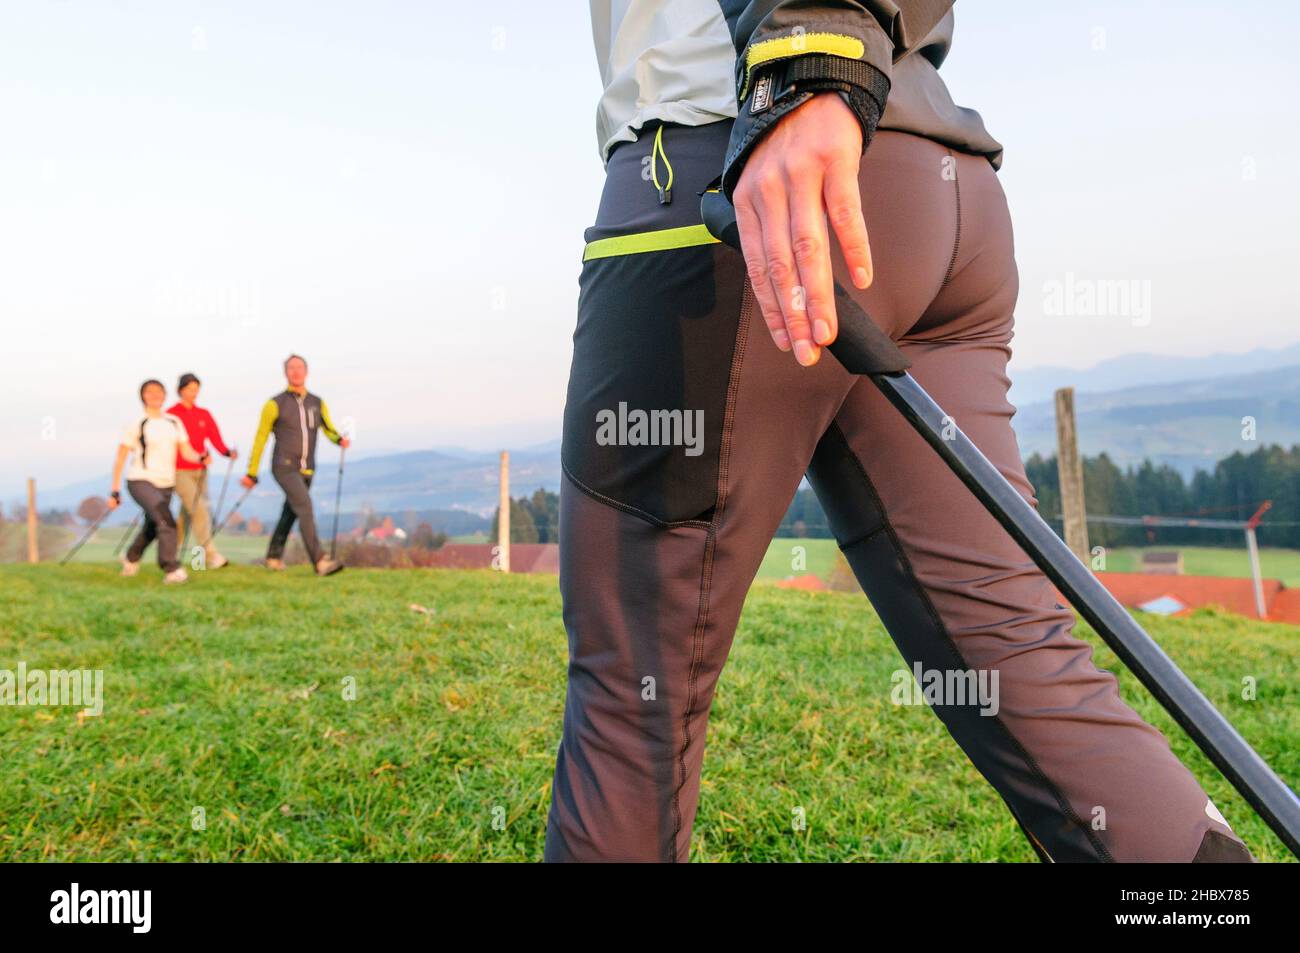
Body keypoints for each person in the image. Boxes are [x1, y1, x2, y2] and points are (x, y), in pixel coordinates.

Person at [544, 1, 1254, 862]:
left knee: (634, 691)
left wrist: (812, 50)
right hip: (936, 193)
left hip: (746, 165)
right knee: (1016, 647)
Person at [241, 354, 348, 576]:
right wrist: (251, 472)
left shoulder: (317, 402)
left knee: (290, 512)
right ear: (285, 372)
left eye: (299, 368)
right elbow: (260, 438)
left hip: (308, 467)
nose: (296, 372)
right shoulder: (274, 404)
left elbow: (328, 428)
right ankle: (320, 561)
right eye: (291, 368)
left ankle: (272, 557)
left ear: (306, 372)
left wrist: (339, 440)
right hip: (284, 466)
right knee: (305, 507)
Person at [107, 379, 208, 584]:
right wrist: (115, 491)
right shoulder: (137, 424)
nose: (155, 395)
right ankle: (171, 568)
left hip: (166, 483)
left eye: (159, 391)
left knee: (153, 525)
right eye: (149, 391)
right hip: (140, 480)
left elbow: (185, 451)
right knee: (166, 520)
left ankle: (131, 557)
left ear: (164, 396)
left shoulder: (173, 422)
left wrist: (200, 457)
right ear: (142, 396)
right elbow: (121, 458)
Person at [168, 372, 236, 570]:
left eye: (196, 389)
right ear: (181, 390)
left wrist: (226, 452)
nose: (193, 393)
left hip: (201, 470)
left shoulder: (203, 414)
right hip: (179, 470)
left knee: (188, 515)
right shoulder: (172, 414)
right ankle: (211, 555)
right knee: (200, 511)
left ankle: (188, 559)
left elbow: (215, 437)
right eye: (190, 389)